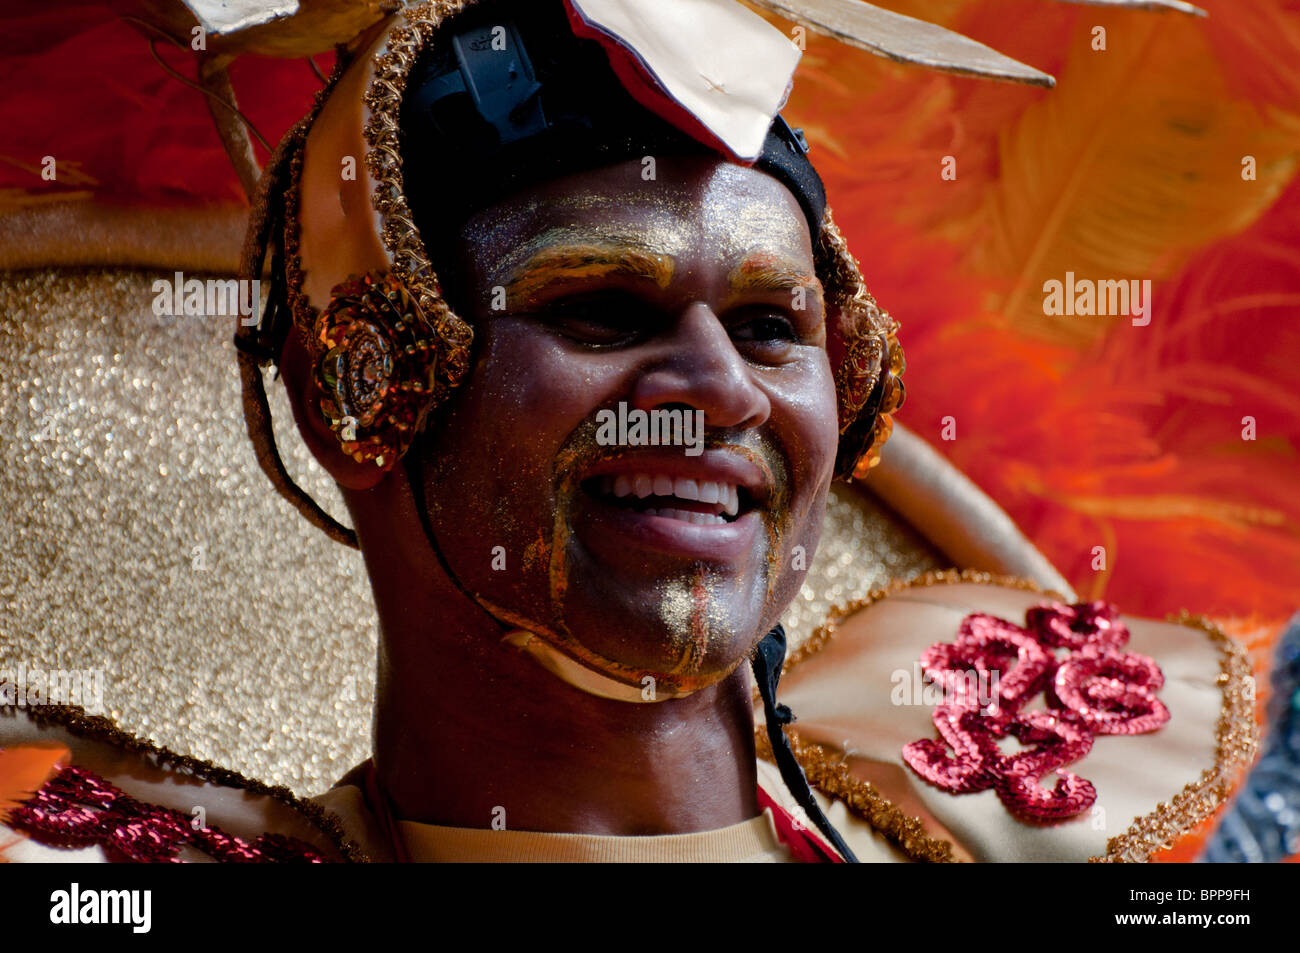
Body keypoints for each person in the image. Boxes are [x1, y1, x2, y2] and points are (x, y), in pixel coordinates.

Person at [0, 0, 1251, 863]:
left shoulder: (1020, 795)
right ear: (354, 388)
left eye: (772, 324)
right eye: (597, 306)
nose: (719, 388)